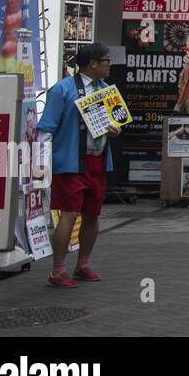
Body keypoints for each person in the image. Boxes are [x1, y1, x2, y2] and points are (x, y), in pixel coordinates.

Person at [35, 44, 120, 287]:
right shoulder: (63, 89)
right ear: (92, 63)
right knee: (69, 215)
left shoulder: (106, 90)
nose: (109, 65)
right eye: (105, 60)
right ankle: (57, 270)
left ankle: (82, 264)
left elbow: (117, 123)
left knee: (92, 215)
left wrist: (115, 131)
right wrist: (42, 164)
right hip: (71, 162)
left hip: (98, 160)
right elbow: (45, 130)